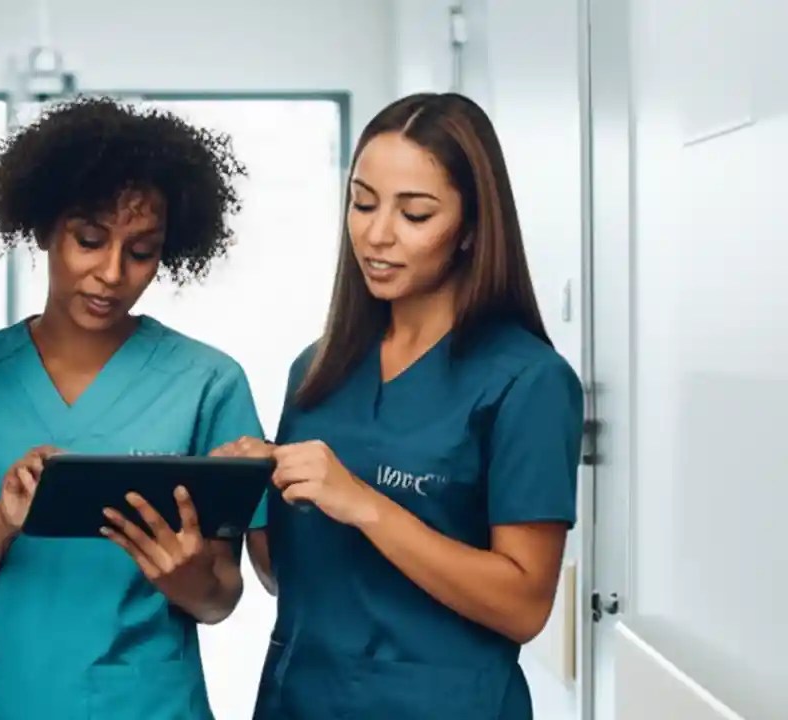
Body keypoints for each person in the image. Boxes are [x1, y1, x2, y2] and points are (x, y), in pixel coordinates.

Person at [226, 93, 584, 719]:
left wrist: (365, 505)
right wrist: (250, 494)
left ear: (472, 228)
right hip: (299, 701)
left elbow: (524, 606)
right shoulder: (316, 371)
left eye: (414, 214)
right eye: (362, 203)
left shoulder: (528, 382)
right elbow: (295, 580)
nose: (376, 233)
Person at [0, 96, 262, 719]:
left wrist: (185, 579)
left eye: (141, 251)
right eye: (90, 239)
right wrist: (2, 520)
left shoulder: (209, 383)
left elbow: (220, 598)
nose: (111, 273)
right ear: (46, 226)